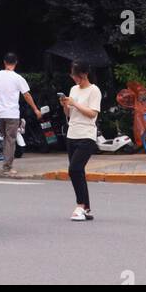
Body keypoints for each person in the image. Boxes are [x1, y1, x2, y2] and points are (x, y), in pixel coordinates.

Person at [0, 52, 42, 177]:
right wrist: (36, 109)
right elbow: (26, 95)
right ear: (16, 63)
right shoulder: (18, 78)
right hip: (12, 114)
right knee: (10, 140)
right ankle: (7, 167)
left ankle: (6, 163)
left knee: (5, 139)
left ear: (4, 62)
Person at [59, 60, 101, 221]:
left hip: (87, 135)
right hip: (72, 133)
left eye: (74, 74)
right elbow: (68, 114)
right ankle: (86, 207)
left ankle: (80, 205)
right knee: (79, 172)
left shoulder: (94, 90)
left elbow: (92, 114)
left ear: (83, 74)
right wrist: (65, 105)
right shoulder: (73, 89)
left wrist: (74, 103)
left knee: (74, 169)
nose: (73, 77)